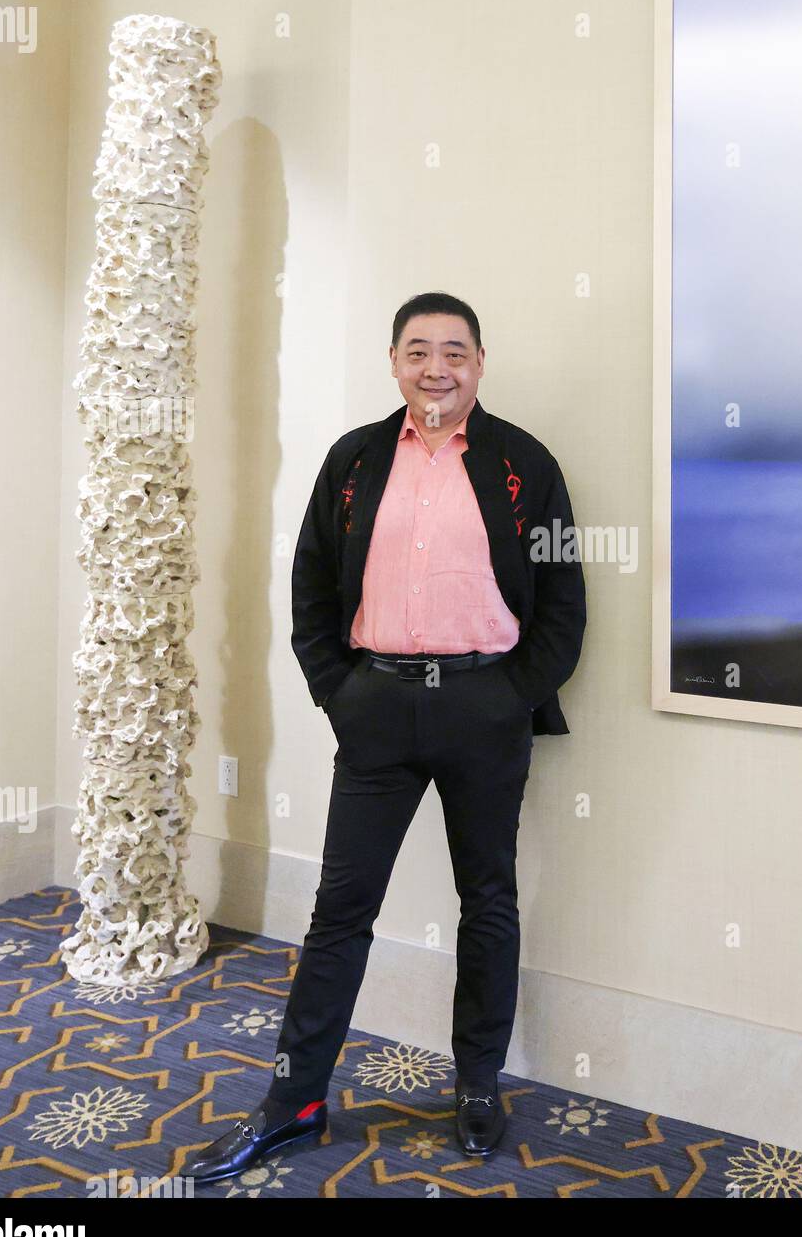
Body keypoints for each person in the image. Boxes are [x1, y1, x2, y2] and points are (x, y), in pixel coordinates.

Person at [184, 292, 586, 1183]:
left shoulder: (526, 463)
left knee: (489, 903)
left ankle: (477, 1087)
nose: (436, 367)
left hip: (485, 708)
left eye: (454, 351)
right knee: (340, 911)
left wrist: (513, 693)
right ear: (394, 362)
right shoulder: (355, 460)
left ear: (480, 362)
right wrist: (341, 692)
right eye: (418, 350)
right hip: (379, 709)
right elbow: (312, 587)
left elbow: (563, 602)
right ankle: (291, 1104)